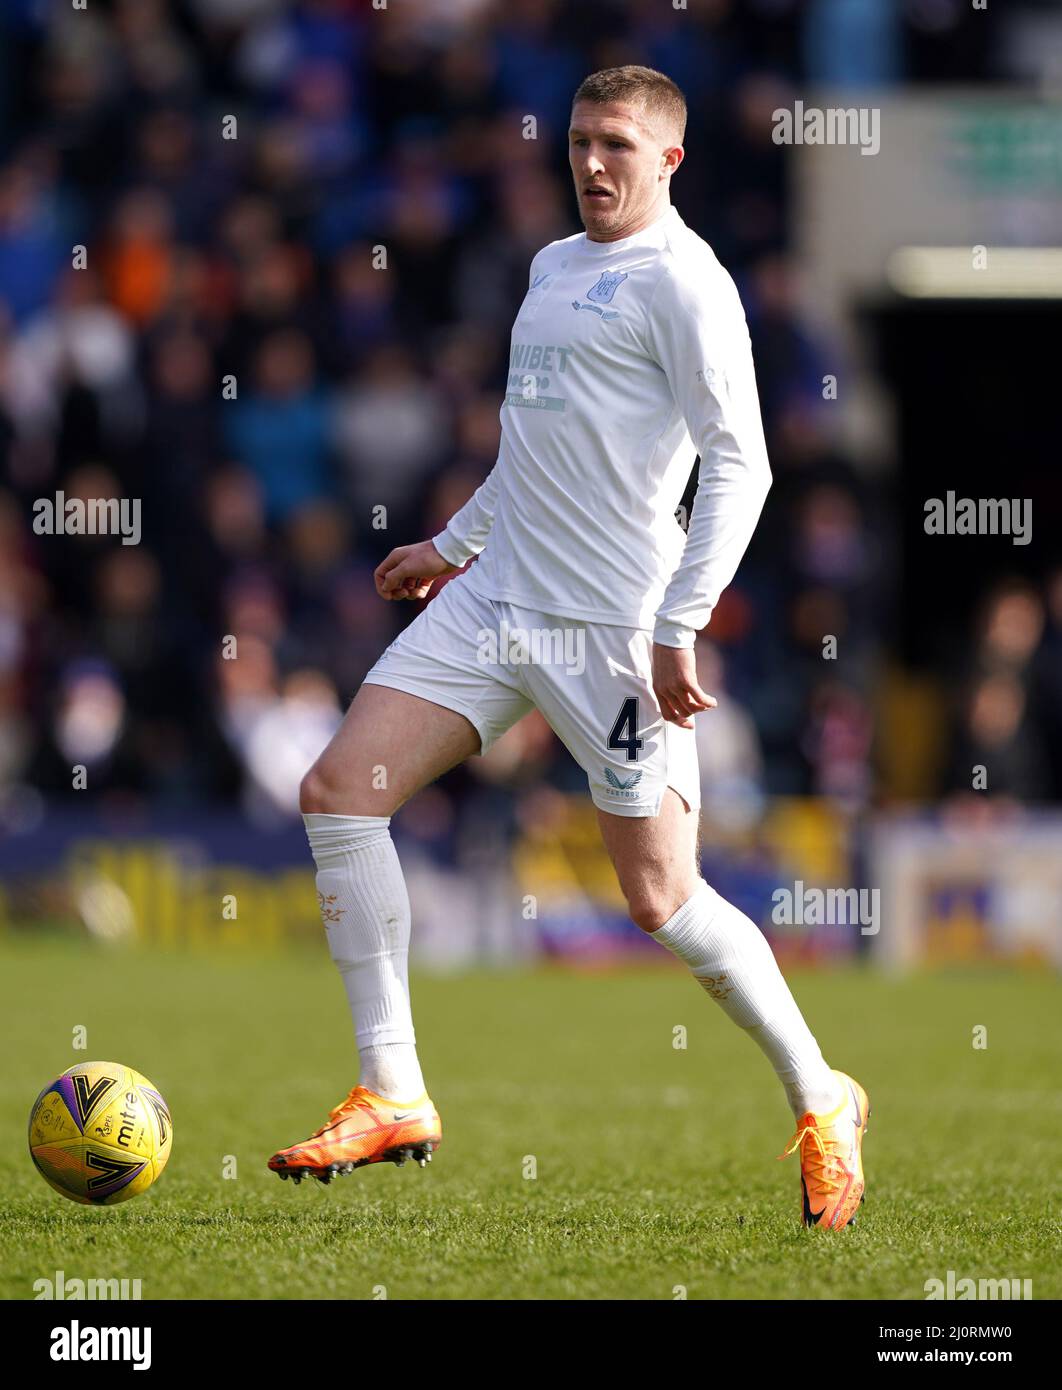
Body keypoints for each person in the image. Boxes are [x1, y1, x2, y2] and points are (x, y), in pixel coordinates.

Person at [267, 65, 869, 1229]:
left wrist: (680, 622)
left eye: (619, 146)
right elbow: (528, 443)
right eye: (583, 140)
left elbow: (740, 463)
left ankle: (823, 1094)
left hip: (612, 633)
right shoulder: (550, 266)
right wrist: (452, 542)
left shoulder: (688, 286)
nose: (594, 163)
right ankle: (393, 1088)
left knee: (660, 899)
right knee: (340, 793)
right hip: (496, 602)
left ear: (670, 159)